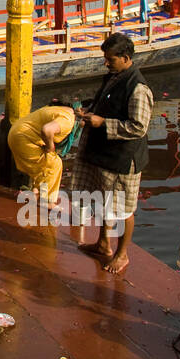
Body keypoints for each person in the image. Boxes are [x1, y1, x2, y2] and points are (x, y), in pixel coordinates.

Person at [71, 33, 152, 275]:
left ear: (125, 58)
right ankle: (103, 243)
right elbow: (103, 103)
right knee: (105, 201)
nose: (106, 63)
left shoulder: (138, 88)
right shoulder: (114, 77)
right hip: (105, 153)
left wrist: (102, 122)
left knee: (124, 209)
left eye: (110, 59)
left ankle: (122, 253)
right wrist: (89, 111)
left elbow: (138, 127)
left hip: (123, 158)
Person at [8, 101, 77, 203]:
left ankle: (36, 192)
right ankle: (47, 202)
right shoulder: (67, 118)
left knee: (42, 165)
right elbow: (47, 130)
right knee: (53, 164)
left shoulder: (54, 109)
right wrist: (50, 147)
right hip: (23, 138)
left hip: (16, 133)